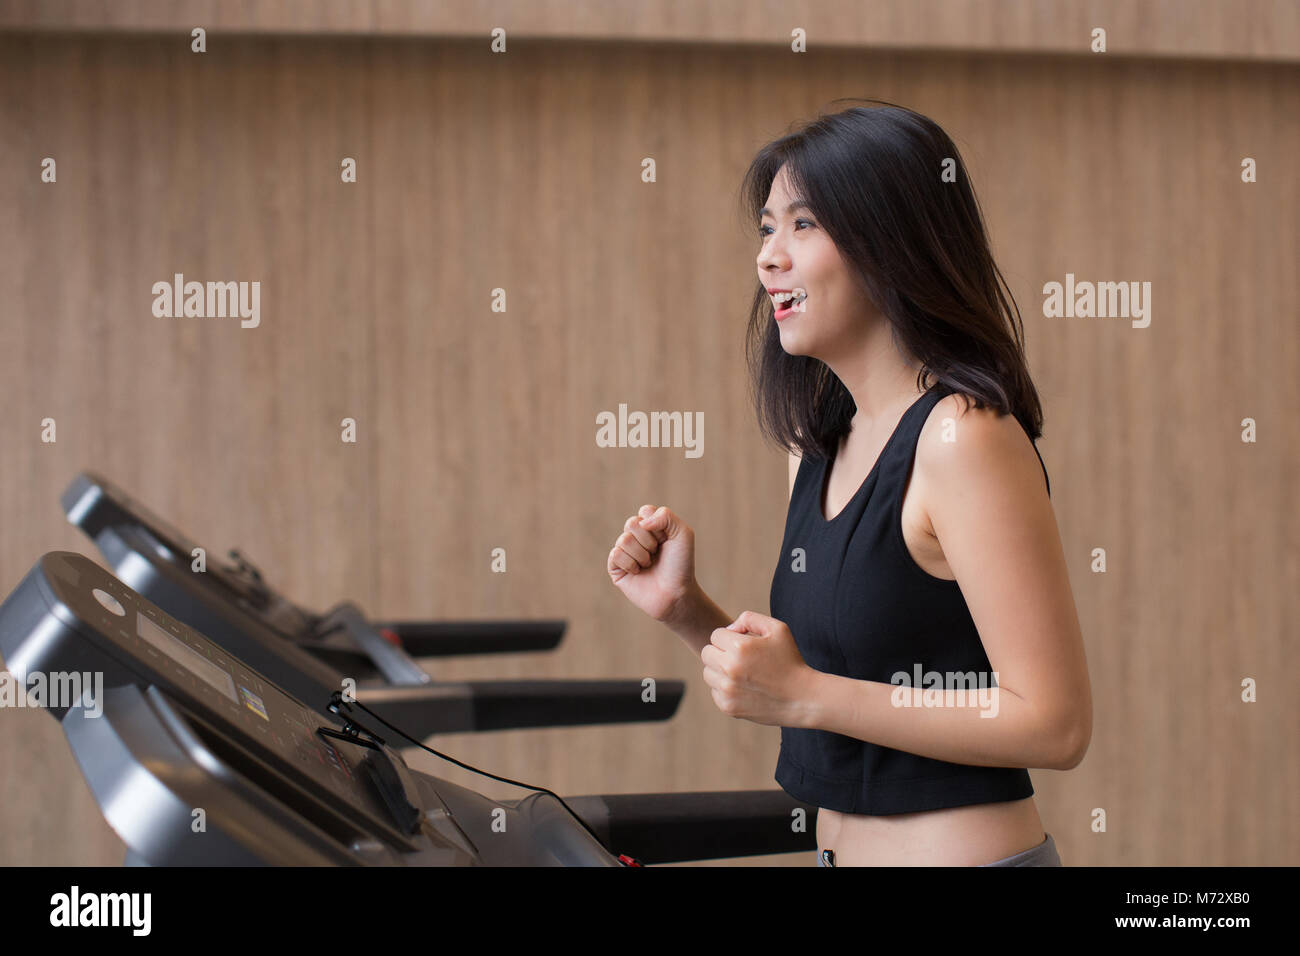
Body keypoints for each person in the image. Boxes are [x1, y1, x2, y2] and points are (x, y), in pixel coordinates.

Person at [606, 100, 1091, 866]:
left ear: (893, 243)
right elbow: (820, 679)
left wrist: (806, 693)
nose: (769, 256)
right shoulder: (818, 446)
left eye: (804, 225)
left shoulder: (963, 437)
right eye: (767, 228)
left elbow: (1056, 724)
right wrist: (689, 613)